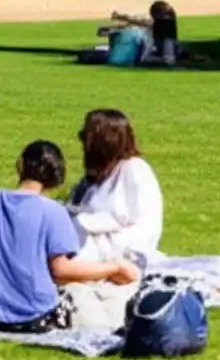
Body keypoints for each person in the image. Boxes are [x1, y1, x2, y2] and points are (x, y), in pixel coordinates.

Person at [0, 141, 140, 332]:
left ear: (20, 165)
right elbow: (61, 270)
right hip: (33, 315)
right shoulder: (53, 212)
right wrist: (115, 267)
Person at [67, 109, 164, 262]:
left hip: (121, 256)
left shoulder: (134, 170)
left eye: (85, 137)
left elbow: (139, 225)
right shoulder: (94, 177)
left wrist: (86, 224)